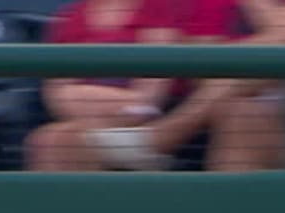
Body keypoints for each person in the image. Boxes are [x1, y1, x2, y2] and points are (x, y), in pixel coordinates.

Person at [87, 0, 285, 171]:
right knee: (241, 116)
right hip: (245, 108)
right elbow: (204, 72)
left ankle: (161, 138)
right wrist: (268, 51)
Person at [24, 0, 180, 171]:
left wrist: (81, 95)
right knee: (50, 140)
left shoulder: (157, 9)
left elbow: (147, 103)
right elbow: (57, 98)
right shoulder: (72, 16)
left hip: (144, 132)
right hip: (78, 125)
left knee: (59, 140)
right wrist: (120, 103)